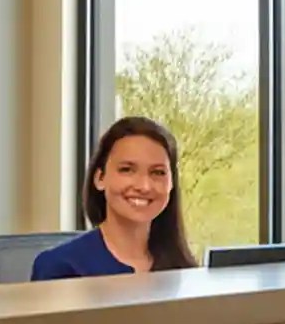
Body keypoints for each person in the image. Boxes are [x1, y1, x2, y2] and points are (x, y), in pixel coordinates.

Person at [31, 116, 197, 280]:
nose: (144, 186)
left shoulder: (185, 269)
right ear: (100, 178)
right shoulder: (59, 267)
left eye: (158, 173)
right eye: (127, 170)